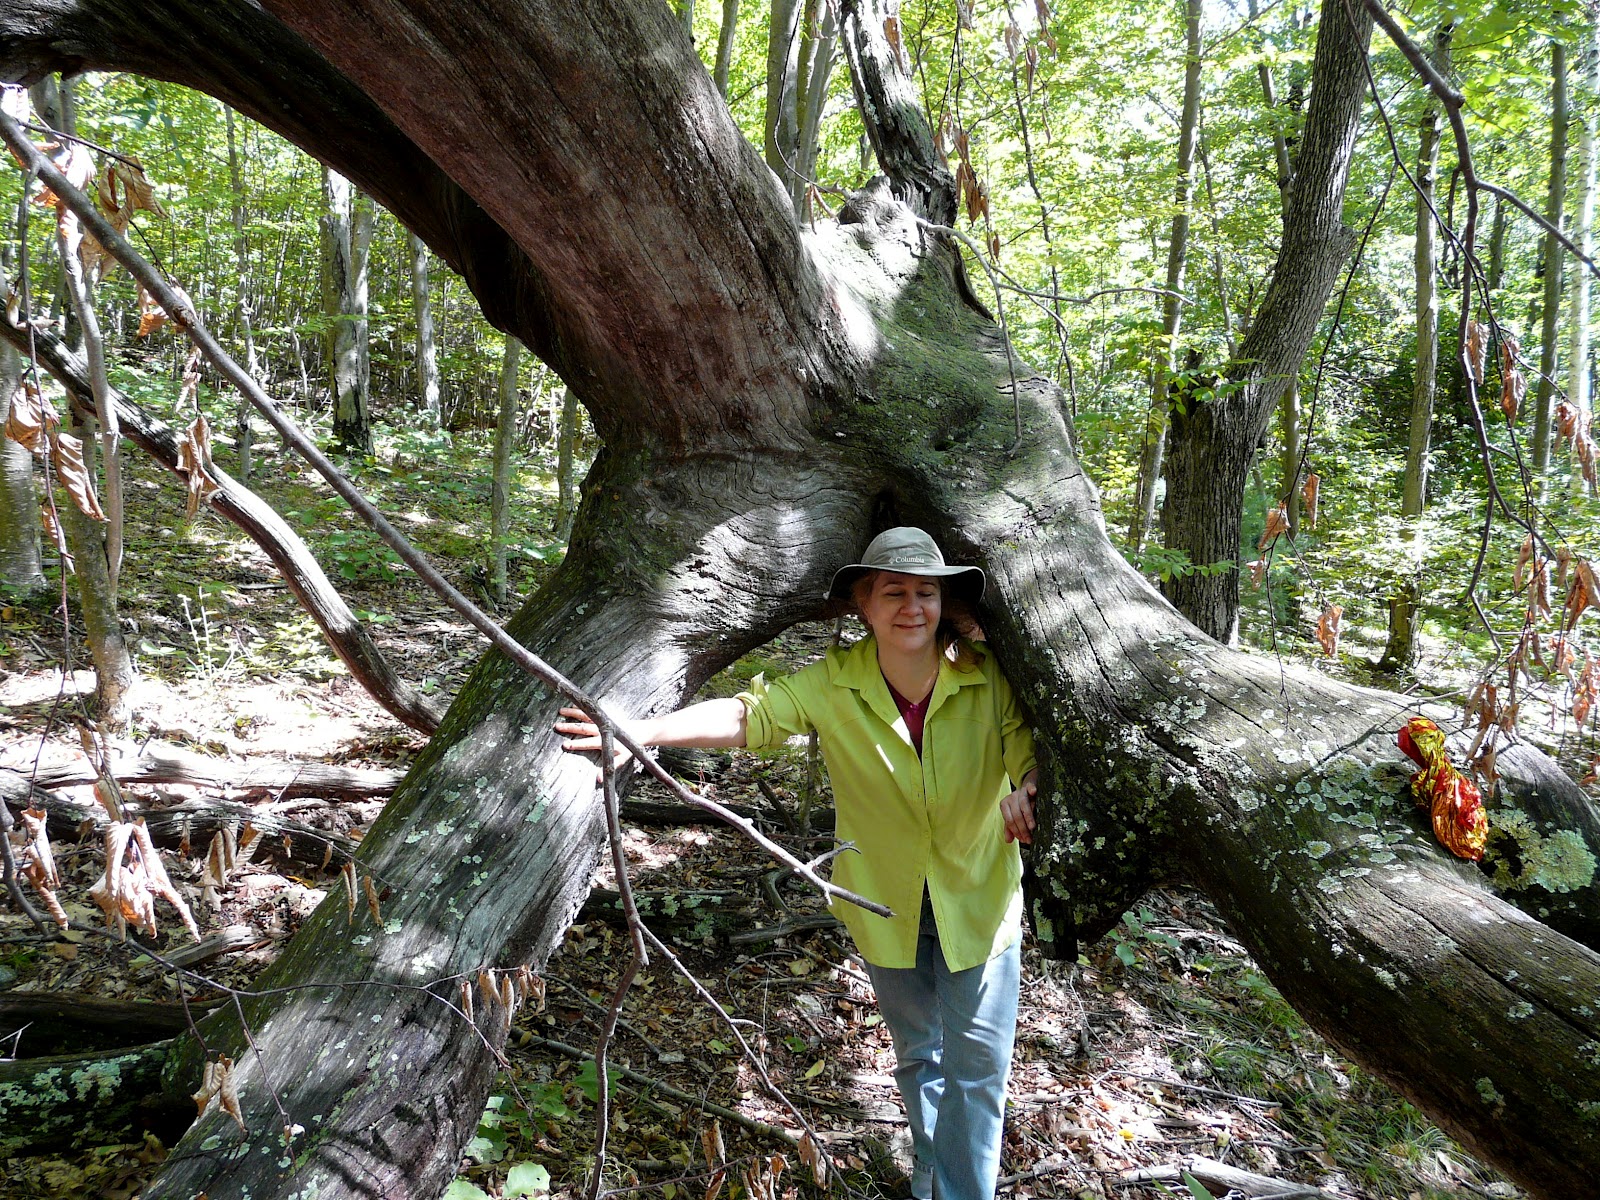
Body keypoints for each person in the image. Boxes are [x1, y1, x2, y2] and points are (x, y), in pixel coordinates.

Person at [556, 527, 1037, 1200]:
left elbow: (1026, 754)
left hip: (980, 900)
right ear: (864, 606)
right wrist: (642, 732)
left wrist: (1028, 790)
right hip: (885, 905)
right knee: (920, 1056)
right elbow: (749, 717)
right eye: (892, 592)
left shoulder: (985, 679)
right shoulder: (836, 684)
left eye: (926, 592)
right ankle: (933, 1170)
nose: (911, 607)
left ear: (942, 601)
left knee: (979, 1068)